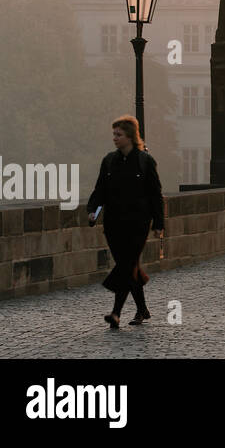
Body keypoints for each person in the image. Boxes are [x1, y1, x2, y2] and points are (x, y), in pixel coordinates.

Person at [86, 116, 165, 329]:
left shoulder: (145, 161)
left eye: (118, 135)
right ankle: (142, 309)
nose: (114, 138)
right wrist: (92, 210)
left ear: (130, 136)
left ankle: (115, 313)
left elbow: (155, 194)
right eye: (114, 134)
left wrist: (159, 223)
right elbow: (100, 189)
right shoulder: (109, 161)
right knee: (128, 267)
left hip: (138, 222)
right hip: (114, 223)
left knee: (126, 265)